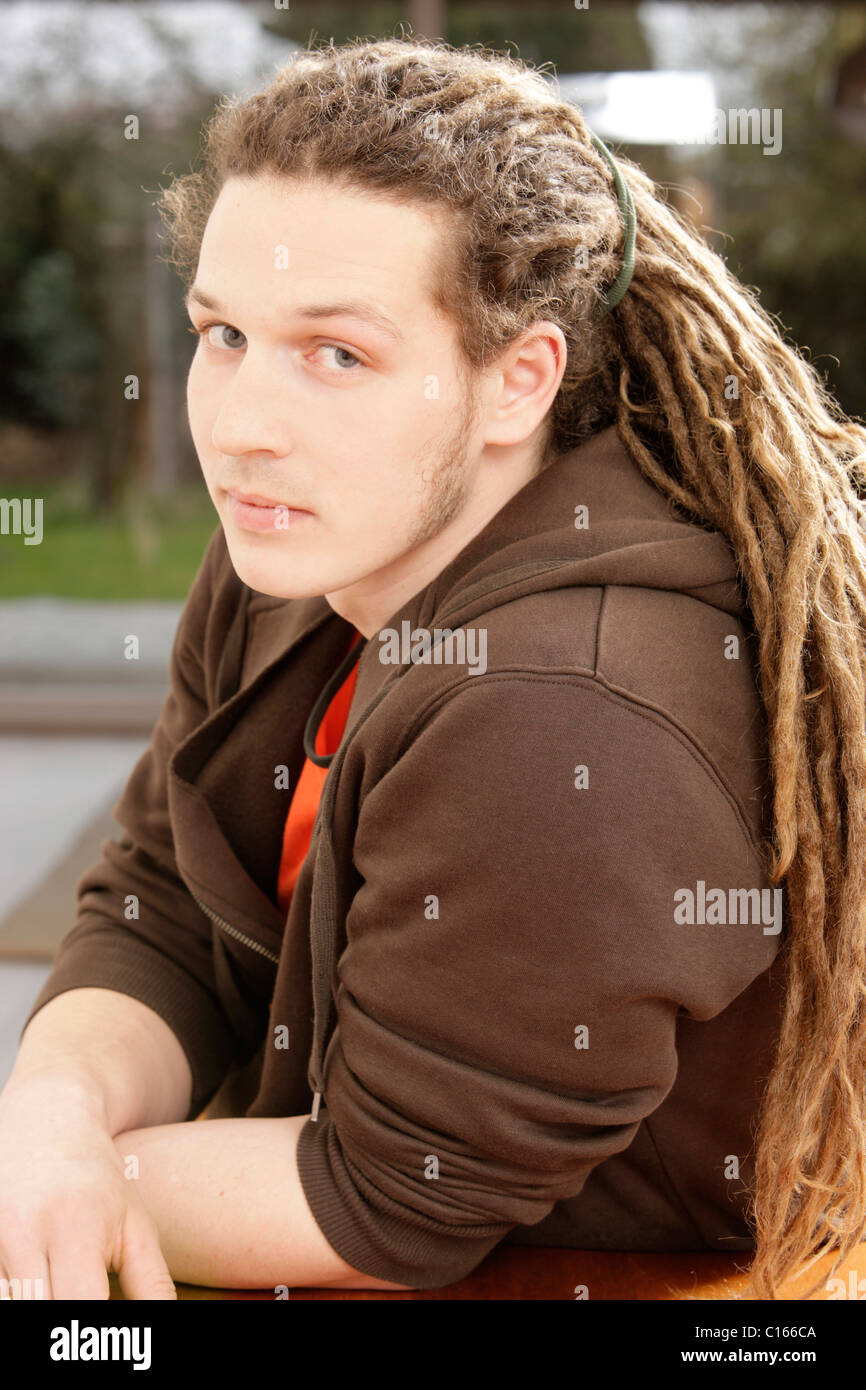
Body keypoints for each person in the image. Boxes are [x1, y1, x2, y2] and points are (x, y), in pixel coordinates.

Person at [2, 36, 865, 1302]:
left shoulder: (564, 715)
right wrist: (54, 1111)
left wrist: (68, 1184)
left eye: (335, 353)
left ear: (516, 381)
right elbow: (166, 903)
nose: (241, 423)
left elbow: (385, 1201)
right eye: (224, 332)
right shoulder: (302, 549)